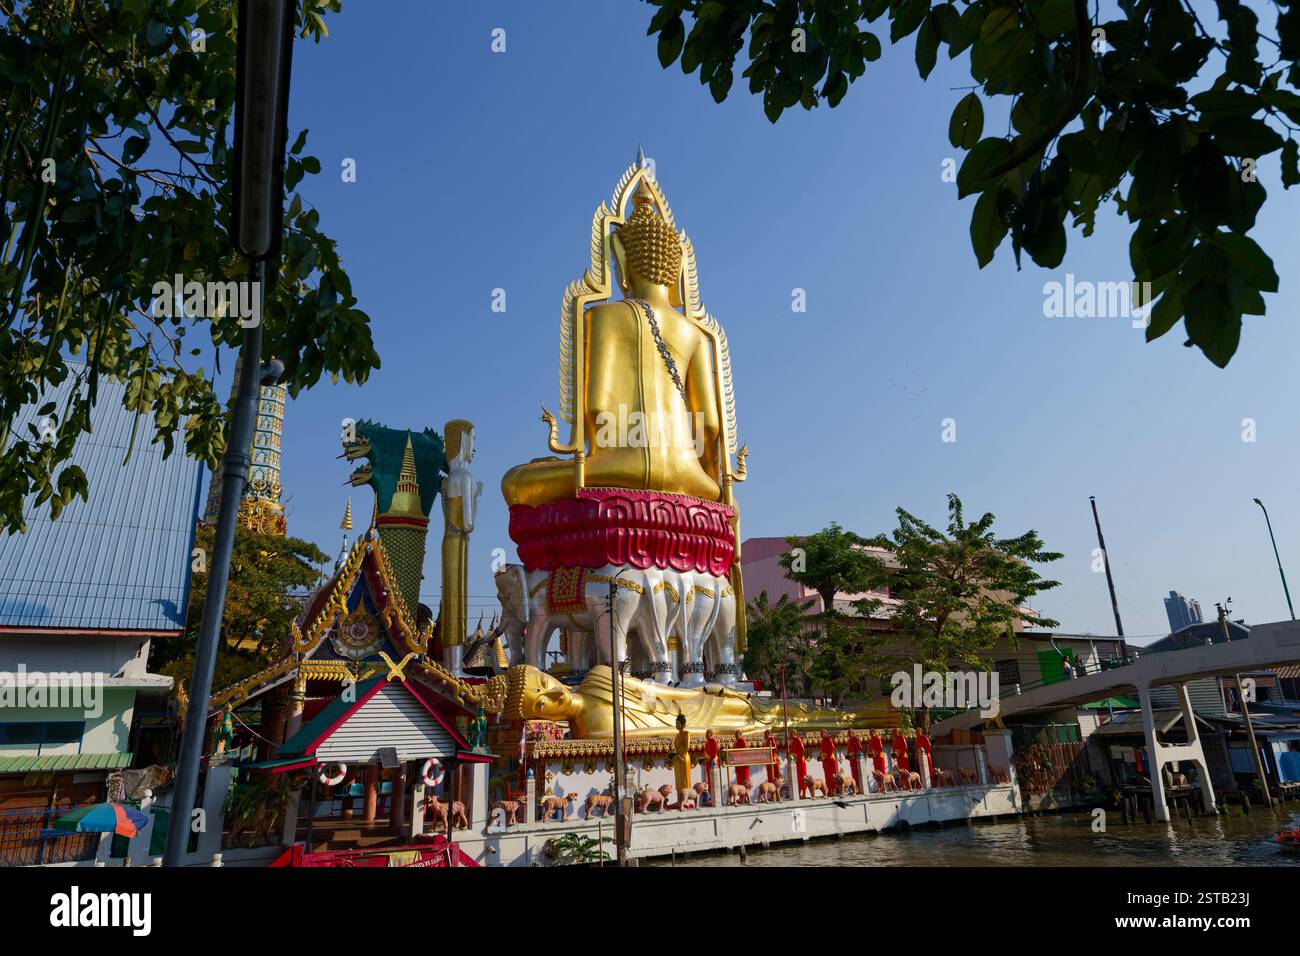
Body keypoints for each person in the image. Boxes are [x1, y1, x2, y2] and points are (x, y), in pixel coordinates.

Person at [673, 714, 692, 810]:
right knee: (678, 779)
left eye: (678, 723)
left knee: (685, 779)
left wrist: (679, 754)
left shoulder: (686, 733)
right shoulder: (676, 735)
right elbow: (676, 747)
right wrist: (674, 754)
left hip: (684, 758)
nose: (676, 725)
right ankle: (679, 799)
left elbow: (686, 747)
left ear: (683, 725)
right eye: (676, 723)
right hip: (677, 758)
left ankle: (686, 801)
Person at [846, 728, 865, 795]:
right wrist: (848, 756)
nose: (848, 734)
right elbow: (849, 750)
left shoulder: (855, 740)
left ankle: (859, 788)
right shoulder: (850, 741)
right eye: (848, 732)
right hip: (852, 760)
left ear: (853, 733)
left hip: (856, 760)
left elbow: (860, 749)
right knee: (854, 775)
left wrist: (855, 755)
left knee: (857, 775)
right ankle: (855, 788)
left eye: (850, 732)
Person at [789, 732, 808, 798]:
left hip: (800, 761)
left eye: (791, 734)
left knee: (803, 777)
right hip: (796, 761)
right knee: (797, 778)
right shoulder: (792, 741)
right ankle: (799, 793)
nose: (790, 735)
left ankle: (804, 794)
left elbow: (802, 750)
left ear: (795, 733)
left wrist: (797, 757)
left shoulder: (798, 740)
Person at [703, 728, 720, 799]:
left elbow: (714, 752)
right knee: (709, 780)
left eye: (707, 733)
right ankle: (711, 797)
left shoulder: (713, 741)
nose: (706, 735)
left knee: (713, 780)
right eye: (706, 733)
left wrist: (709, 759)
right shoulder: (707, 742)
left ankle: (715, 797)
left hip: (713, 762)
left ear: (710, 734)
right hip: (708, 762)